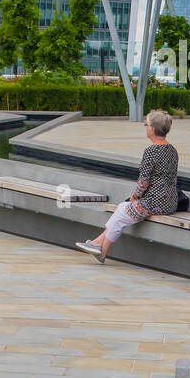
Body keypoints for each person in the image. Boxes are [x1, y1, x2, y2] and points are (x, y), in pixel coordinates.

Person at [75, 109, 179, 263]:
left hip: (154, 203)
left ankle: (100, 250)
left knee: (123, 209)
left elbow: (143, 182)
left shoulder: (151, 151)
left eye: (146, 124)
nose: (145, 127)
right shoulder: (172, 150)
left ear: (151, 129)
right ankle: (97, 246)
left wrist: (134, 196)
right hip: (170, 201)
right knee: (123, 208)